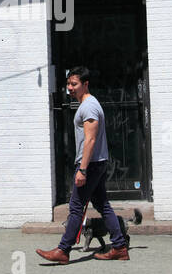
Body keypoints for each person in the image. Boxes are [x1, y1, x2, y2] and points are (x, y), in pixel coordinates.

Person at [37, 66, 129, 263]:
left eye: (74, 84)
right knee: (102, 204)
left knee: (76, 206)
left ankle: (63, 250)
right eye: (69, 84)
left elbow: (90, 140)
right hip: (97, 163)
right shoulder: (87, 105)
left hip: (91, 164)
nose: (70, 87)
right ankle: (120, 246)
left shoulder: (88, 106)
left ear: (85, 84)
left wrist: (83, 170)